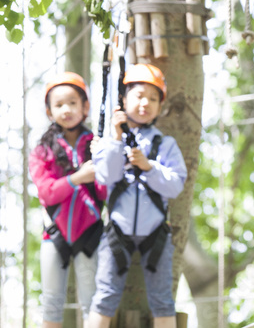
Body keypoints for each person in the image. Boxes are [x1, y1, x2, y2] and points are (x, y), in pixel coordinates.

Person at [87, 64, 186, 328]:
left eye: (153, 99)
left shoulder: (165, 145)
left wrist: (148, 167)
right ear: (124, 99)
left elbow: (176, 185)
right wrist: (117, 140)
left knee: (163, 300)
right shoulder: (108, 142)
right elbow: (105, 176)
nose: (146, 103)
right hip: (117, 230)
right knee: (105, 297)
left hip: (156, 232)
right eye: (139, 96)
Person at [29, 72, 107, 328]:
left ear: (85, 107)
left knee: (92, 302)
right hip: (55, 234)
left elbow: (106, 190)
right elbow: (47, 191)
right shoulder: (43, 150)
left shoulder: (97, 145)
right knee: (51, 302)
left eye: (73, 103)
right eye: (59, 104)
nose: (66, 110)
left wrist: (105, 160)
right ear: (49, 111)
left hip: (90, 234)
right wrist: (78, 178)